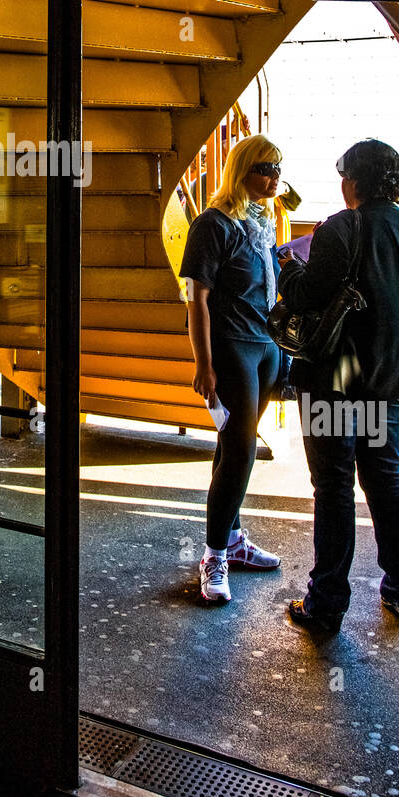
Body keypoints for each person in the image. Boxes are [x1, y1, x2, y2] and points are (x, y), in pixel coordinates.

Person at [278, 140, 399, 633]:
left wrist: (291, 268)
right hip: (393, 376)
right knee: (385, 476)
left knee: (333, 485)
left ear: (354, 180)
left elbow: (308, 296)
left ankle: (327, 602)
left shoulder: (342, 225)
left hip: (337, 379)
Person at [180, 135, 285, 603]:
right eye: (266, 167)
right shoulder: (213, 224)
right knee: (241, 449)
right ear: (241, 168)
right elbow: (196, 299)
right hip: (232, 348)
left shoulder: (264, 223)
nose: (275, 177)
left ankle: (233, 540)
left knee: (233, 446)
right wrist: (204, 363)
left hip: (265, 347)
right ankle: (214, 555)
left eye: (279, 168)